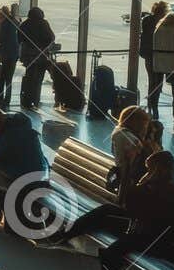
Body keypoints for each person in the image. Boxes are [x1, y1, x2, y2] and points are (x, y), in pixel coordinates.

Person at [44, 105, 156, 247]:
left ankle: (63, 236)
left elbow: (130, 183)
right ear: (136, 124)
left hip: (138, 222)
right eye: (144, 125)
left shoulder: (138, 146)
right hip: (135, 216)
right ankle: (63, 235)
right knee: (104, 212)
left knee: (103, 213)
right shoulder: (137, 144)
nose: (145, 129)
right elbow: (128, 177)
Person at [90, 150, 174, 270]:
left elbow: (134, 209)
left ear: (158, 170)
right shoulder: (164, 188)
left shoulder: (167, 191)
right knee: (105, 213)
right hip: (143, 231)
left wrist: (142, 185)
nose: (147, 174)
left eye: (150, 170)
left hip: (153, 240)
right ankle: (67, 233)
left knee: (112, 251)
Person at [17, 7, 56, 109]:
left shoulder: (25, 24)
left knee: (29, 78)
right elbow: (51, 38)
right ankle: (36, 100)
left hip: (28, 57)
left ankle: (27, 101)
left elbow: (19, 38)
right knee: (38, 79)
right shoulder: (44, 24)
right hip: (41, 56)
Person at [0, 6, 20, 109]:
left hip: (6, 53)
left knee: (3, 78)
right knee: (8, 78)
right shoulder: (14, 22)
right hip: (13, 53)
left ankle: (1, 99)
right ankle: (6, 100)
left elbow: (1, 36)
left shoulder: (4, 23)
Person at [138, 0, 168, 103]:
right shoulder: (164, 23)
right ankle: (155, 100)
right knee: (158, 79)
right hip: (161, 54)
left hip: (148, 53)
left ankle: (151, 99)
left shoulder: (146, 20)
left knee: (151, 78)